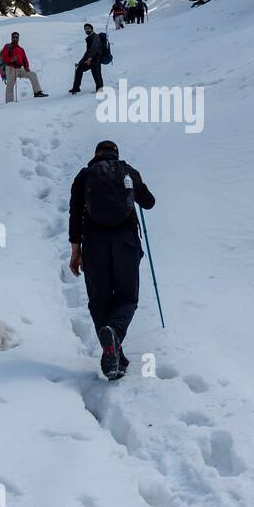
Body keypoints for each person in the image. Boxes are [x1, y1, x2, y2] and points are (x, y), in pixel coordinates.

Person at [68, 140, 156, 379]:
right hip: (126, 243)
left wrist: (75, 250)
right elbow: (149, 202)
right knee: (127, 297)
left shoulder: (85, 176)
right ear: (116, 154)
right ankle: (115, 338)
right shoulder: (127, 171)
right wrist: (134, 187)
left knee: (99, 301)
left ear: (96, 155)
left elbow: (75, 213)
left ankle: (113, 352)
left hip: (94, 246)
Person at [0, 32, 48, 103]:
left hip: (20, 69)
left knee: (32, 74)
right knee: (10, 85)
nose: (15, 38)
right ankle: (9, 102)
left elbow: (25, 59)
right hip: (10, 68)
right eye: (14, 37)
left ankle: (37, 92)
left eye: (16, 37)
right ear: (11, 38)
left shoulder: (21, 49)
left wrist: (26, 67)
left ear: (18, 39)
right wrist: (11, 59)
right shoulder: (7, 46)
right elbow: (4, 57)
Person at [69, 23, 104, 94]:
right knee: (79, 69)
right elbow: (87, 52)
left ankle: (100, 90)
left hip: (96, 58)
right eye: (85, 29)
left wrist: (90, 58)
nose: (87, 30)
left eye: (88, 28)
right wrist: (80, 62)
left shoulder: (95, 36)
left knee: (97, 74)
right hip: (90, 59)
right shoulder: (89, 38)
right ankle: (76, 88)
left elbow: (94, 48)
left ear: (92, 29)